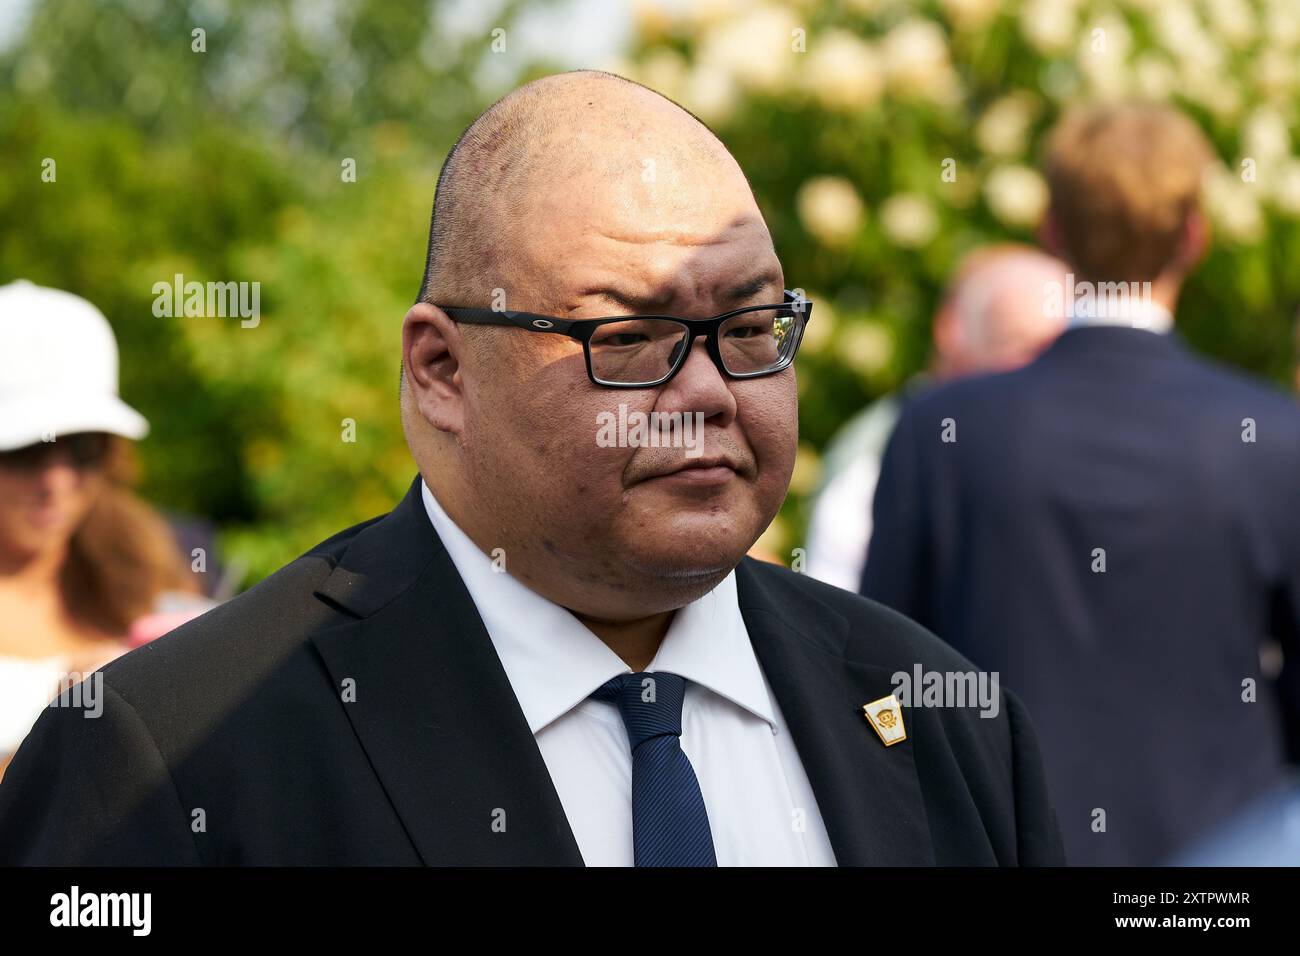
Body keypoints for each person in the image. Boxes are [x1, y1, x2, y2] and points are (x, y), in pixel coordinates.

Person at [0, 71, 1064, 866]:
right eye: (630, 336)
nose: (705, 392)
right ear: (442, 369)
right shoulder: (175, 750)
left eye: (746, 325)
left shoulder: (940, 716)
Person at [861, 102, 1300, 866]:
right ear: (1194, 234)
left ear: (1051, 230)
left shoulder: (939, 432)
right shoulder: (1272, 438)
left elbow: (880, 679)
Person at [0, 280, 208, 783]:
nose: (56, 482)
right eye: (25, 451)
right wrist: (56, 733)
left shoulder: (150, 558)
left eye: (83, 448)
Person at [806, 245, 1067, 590]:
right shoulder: (876, 455)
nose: (1045, 374)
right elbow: (839, 610)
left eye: (1059, 353)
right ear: (951, 330)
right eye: (1023, 348)